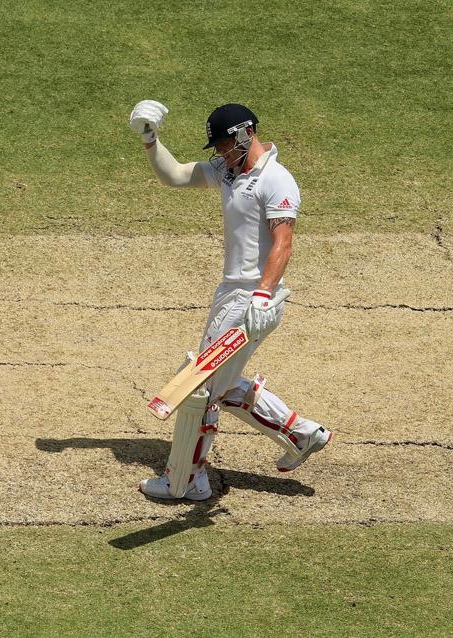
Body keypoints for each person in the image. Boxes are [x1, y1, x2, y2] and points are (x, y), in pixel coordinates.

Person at [129, 100, 332, 501]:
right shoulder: (228, 170)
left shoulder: (277, 180)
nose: (221, 154)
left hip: (253, 300)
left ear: (245, 134)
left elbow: (283, 243)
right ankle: (300, 433)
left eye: (225, 145)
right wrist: (150, 138)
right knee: (216, 385)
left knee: (197, 387)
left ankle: (185, 481)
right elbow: (174, 176)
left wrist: (261, 295)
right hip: (231, 295)